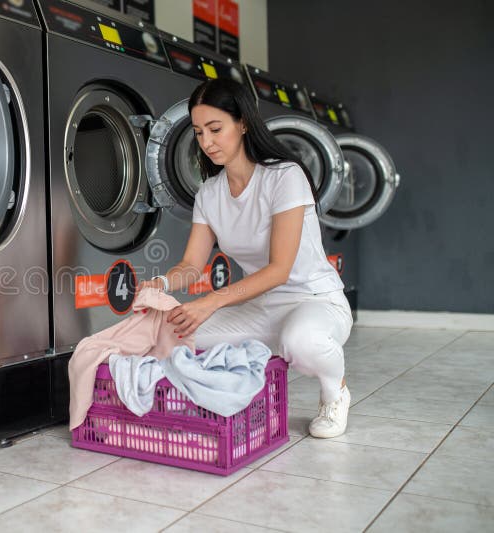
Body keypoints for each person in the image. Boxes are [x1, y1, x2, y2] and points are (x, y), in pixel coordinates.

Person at [139, 78, 354, 438]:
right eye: (198, 132)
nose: (206, 142)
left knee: (301, 341)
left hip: (315, 301)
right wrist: (159, 284)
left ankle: (336, 392)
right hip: (261, 309)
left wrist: (210, 302)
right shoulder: (209, 193)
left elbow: (280, 269)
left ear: (242, 123)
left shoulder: (285, 177)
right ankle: (225, 394)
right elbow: (192, 265)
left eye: (215, 129)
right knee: (173, 334)